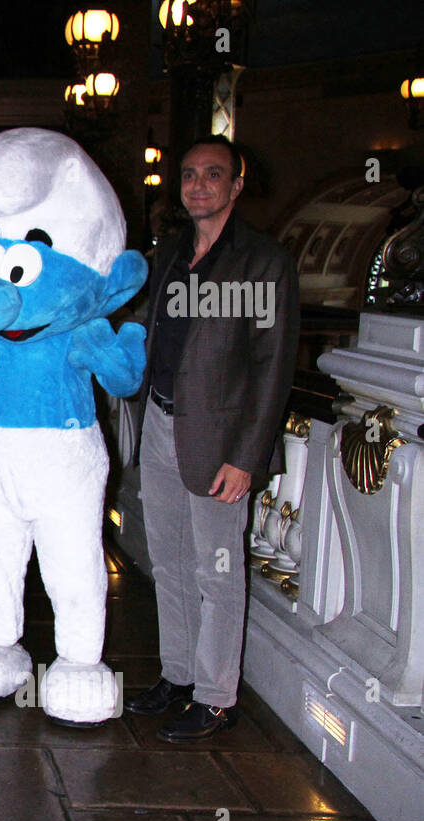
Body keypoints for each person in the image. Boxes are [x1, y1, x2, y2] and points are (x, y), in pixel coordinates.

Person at [126, 135, 300, 740]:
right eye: (190, 175)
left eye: (213, 175)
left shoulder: (263, 261)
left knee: (218, 571)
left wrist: (246, 459)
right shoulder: (170, 254)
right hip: (160, 424)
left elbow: (272, 369)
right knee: (167, 563)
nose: (198, 185)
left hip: (220, 442)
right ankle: (177, 674)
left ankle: (217, 694)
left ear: (237, 184)